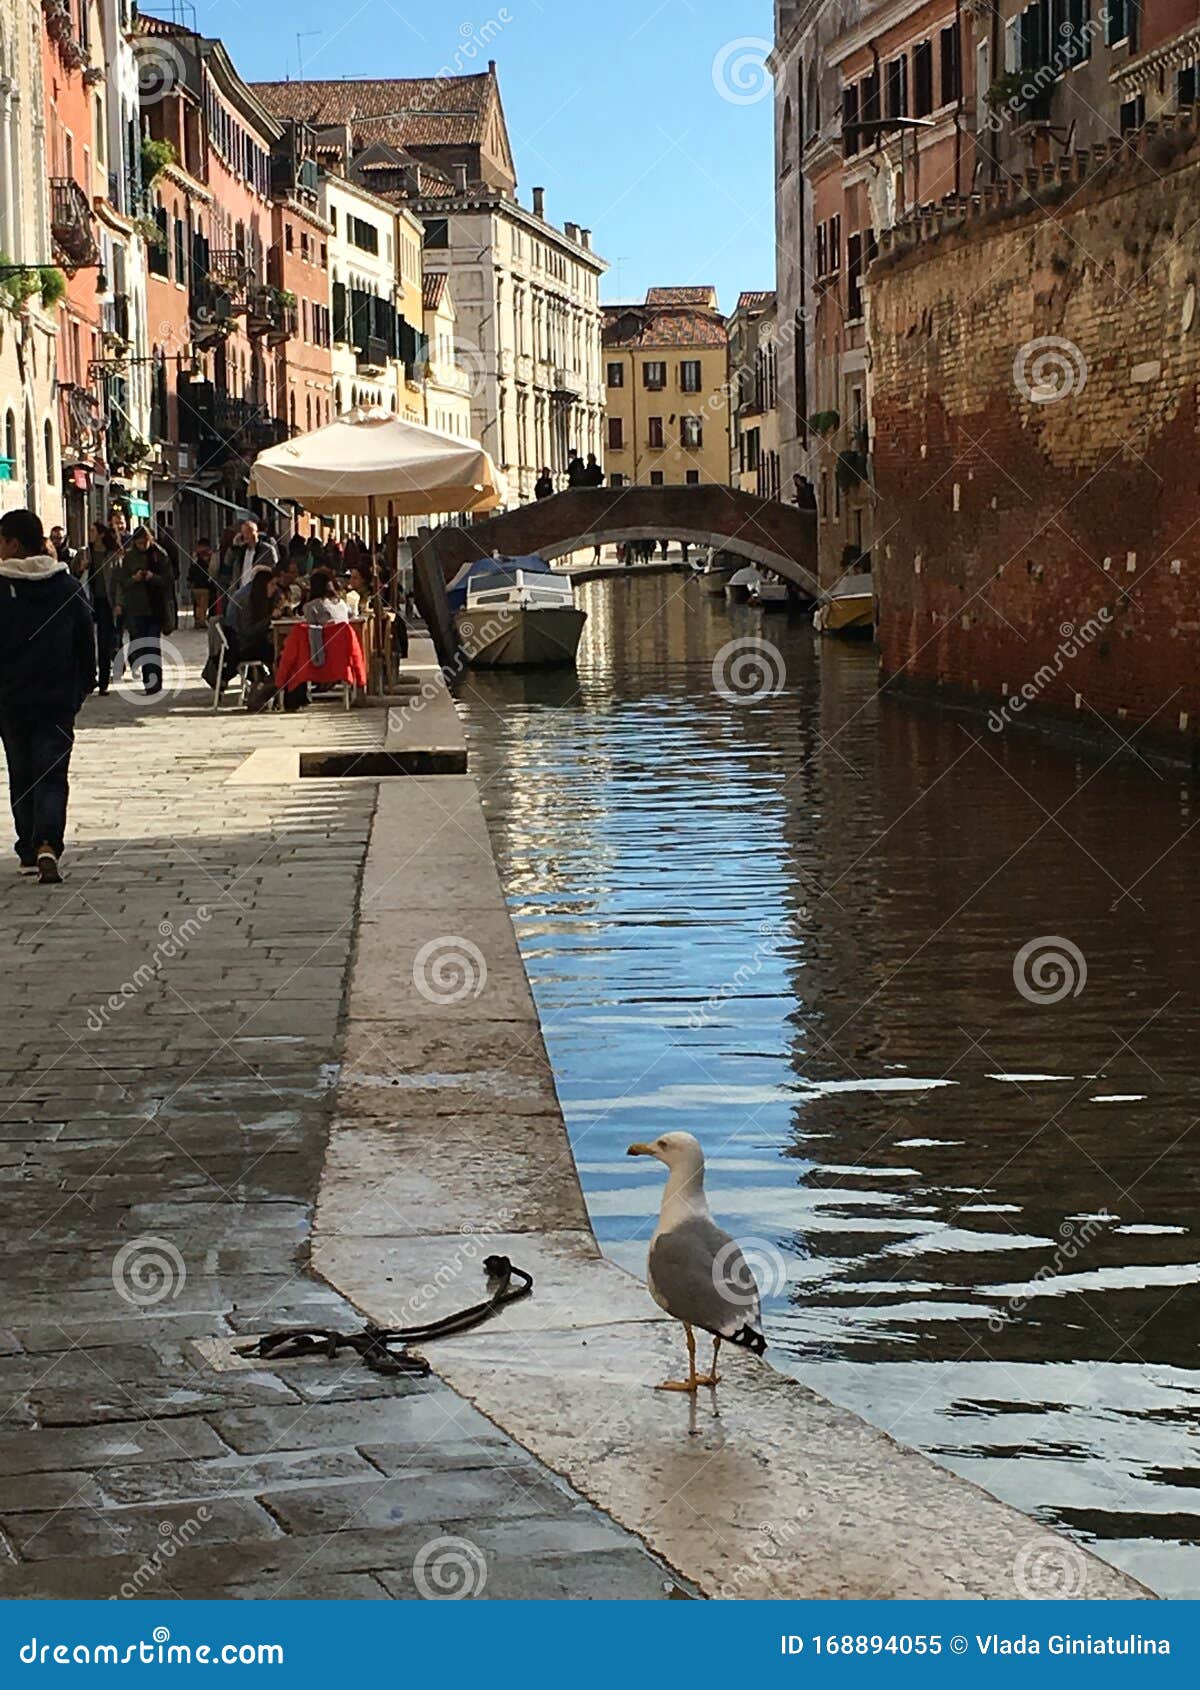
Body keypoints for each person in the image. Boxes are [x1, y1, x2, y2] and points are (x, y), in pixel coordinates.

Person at [0, 508, 95, 883]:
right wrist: (81, 689)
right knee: (53, 774)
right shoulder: (67, 587)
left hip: (10, 700)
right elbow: (86, 646)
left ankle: (28, 848)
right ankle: (48, 844)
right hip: (57, 699)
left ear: (13, 543)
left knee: (22, 772)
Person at [113, 527, 171, 694]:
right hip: (135, 607)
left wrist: (153, 578)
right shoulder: (129, 557)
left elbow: (168, 580)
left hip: (155, 607)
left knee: (152, 645)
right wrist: (134, 579)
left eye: (145, 542)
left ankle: (154, 683)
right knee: (139, 646)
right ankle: (146, 676)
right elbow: (122, 582)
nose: (142, 545)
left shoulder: (159, 555)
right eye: (139, 543)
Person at [81, 520, 123, 694]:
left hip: (106, 602)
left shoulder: (112, 555)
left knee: (104, 642)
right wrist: (81, 567)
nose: (90, 533)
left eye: (92, 530)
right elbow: (73, 573)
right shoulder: (85, 553)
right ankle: (90, 678)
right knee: (86, 641)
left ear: (101, 534)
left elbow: (119, 581)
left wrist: (119, 603)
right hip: (88, 602)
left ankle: (104, 682)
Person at [222, 518, 277, 588]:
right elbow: (227, 562)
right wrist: (234, 546)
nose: (247, 536)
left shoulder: (267, 549)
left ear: (256, 533)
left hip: (258, 588)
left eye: (250, 532)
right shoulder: (240, 550)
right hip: (241, 588)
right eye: (244, 533)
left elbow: (273, 570)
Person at [187, 538, 216, 628]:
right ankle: (201, 621)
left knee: (198, 604)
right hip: (205, 585)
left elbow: (191, 570)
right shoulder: (210, 557)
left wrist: (190, 581)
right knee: (203, 605)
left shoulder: (196, 557)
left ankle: (197, 620)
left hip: (196, 585)